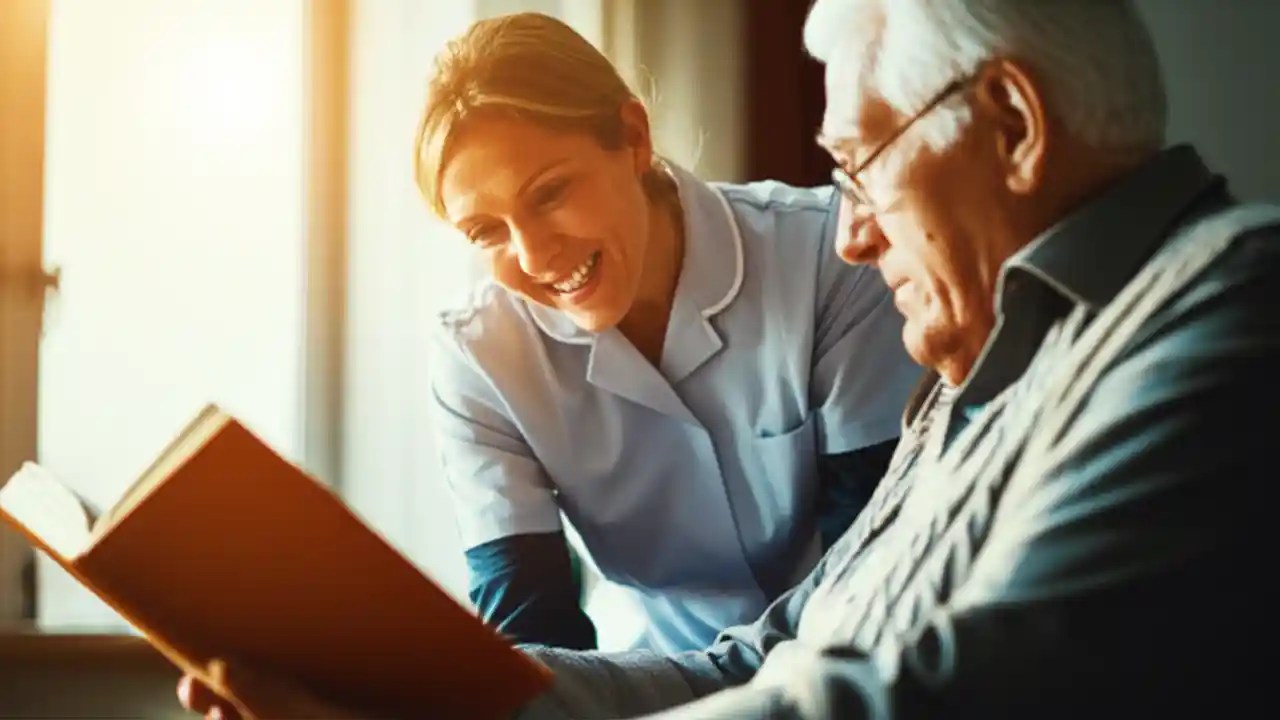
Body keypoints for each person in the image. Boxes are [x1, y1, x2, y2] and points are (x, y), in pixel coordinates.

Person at [178, 0, 1278, 717]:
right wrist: (413, 691)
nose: (851, 232)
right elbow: (759, 657)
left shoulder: (1230, 301)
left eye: (862, 163)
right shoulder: (963, 396)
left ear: (1010, 124)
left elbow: (941, 695)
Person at [416, 12, 920, 654]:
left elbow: (870, 572)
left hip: (846, 667)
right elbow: (529, 629)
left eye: (550, 194)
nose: (535, 256)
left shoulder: (832, 256)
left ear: (633, 137)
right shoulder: (480, 359)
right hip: (649, 683)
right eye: (487, 231)